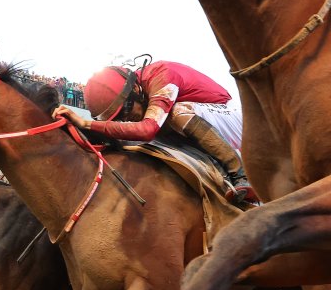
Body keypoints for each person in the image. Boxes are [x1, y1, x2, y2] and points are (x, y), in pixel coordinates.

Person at [54, 60, 253, 202]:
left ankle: (240, 173)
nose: (125, 118)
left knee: (174, 114)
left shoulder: (163, 75)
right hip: (207, 123)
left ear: (137, 90)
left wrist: (87, 124)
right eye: (117, 118)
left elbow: (147, 130)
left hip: (234, 118)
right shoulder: (139, 93)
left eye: (125, 109)